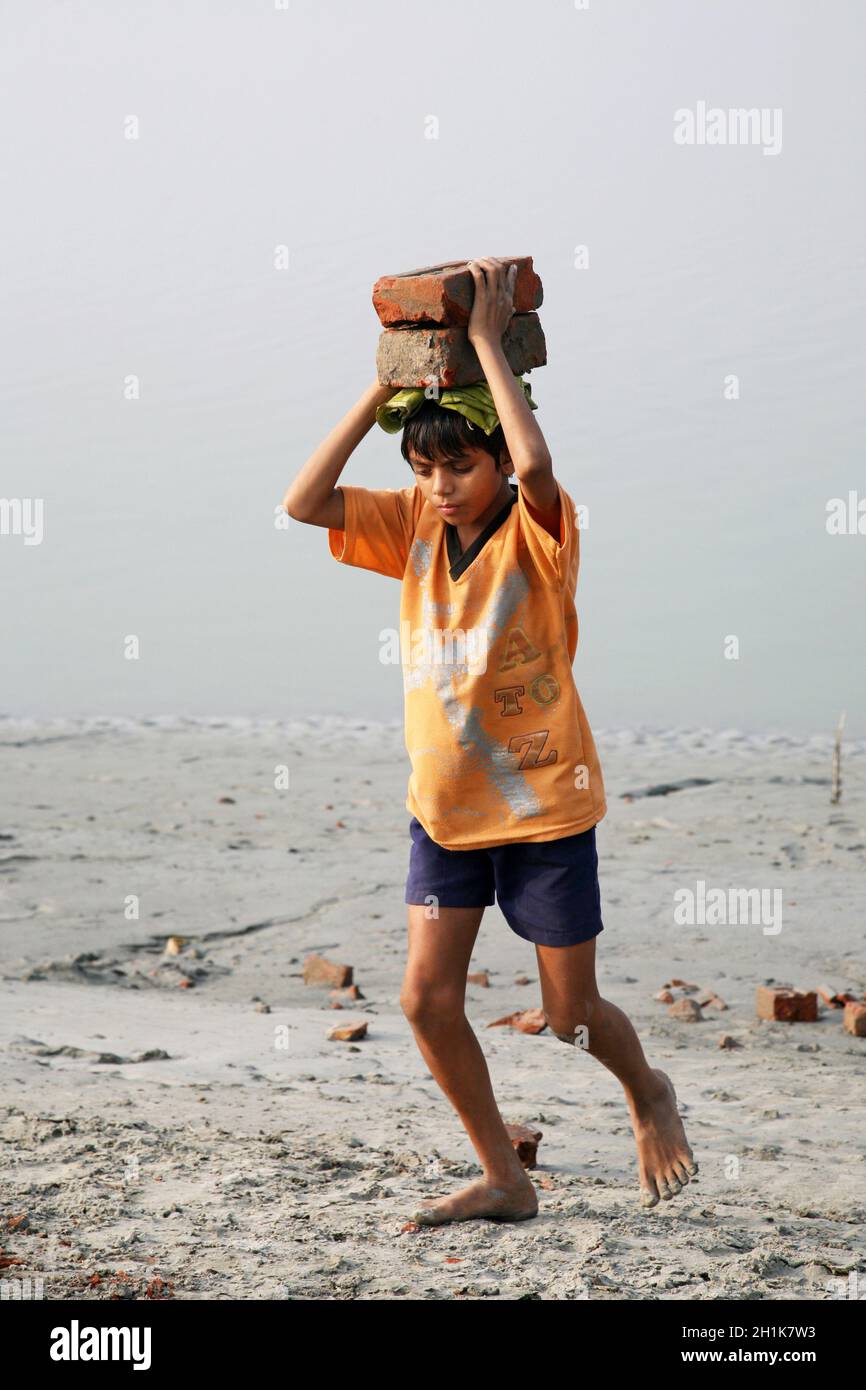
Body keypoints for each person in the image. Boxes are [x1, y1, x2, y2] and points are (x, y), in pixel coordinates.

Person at [281, 256, 697, 1224]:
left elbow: (539, 466)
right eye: (422, 467)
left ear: (496, 462)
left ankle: (647, 1090)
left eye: (457, 465)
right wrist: (381, 387)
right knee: (425, 1000)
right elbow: (303, 502)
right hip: (444, 810)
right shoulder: (410, 529)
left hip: (544, 806)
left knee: (568, 1018)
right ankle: (505, 1177)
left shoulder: (539, 533)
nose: (438, 486)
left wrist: (479, 341)